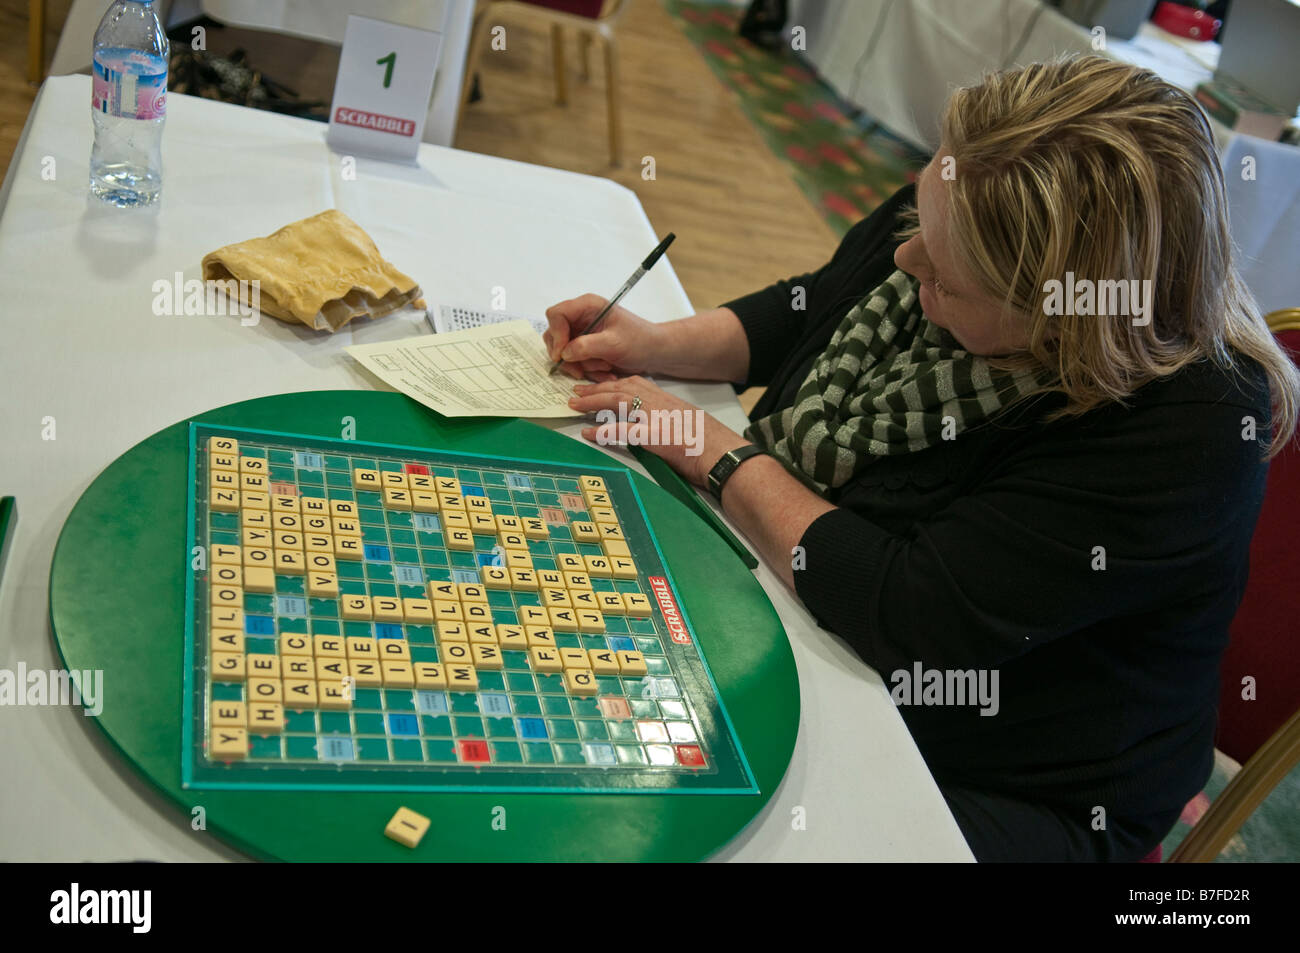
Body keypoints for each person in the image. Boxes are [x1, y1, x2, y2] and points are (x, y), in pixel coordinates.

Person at [542, 55, 1300, 862]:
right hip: (825, 627)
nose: (909, 263)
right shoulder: (964, 196)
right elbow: (814, 307)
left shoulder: (1190, 427)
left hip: (1012, 775)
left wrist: (712, 451)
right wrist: (654, 344)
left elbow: (906, 610)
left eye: (947, 274)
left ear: (1066, 318)